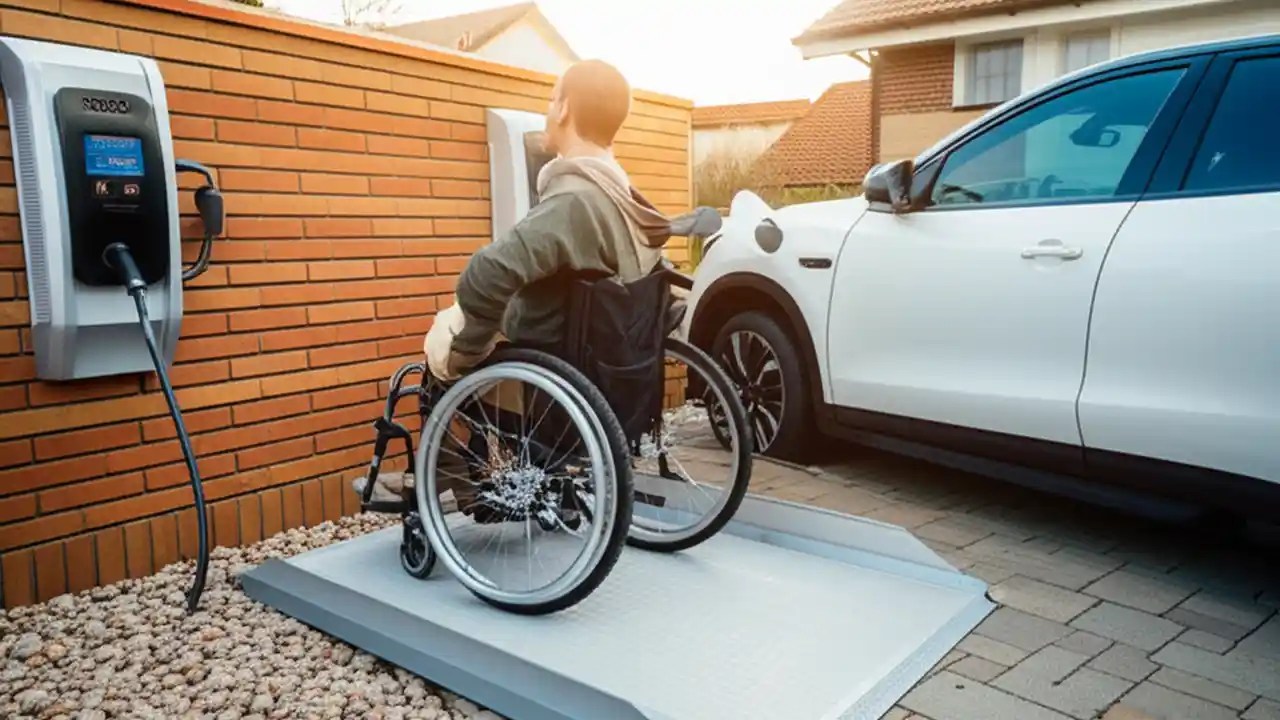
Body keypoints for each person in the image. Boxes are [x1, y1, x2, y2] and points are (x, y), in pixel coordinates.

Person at [424, 58, 673, 382]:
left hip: (553, 367)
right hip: (613, 369)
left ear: (565, 109)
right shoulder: (623, 195)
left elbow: (486, 275)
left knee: (440, 342)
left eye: (552, 99)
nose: (548, 110)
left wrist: (471, 346)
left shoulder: (573, 202)